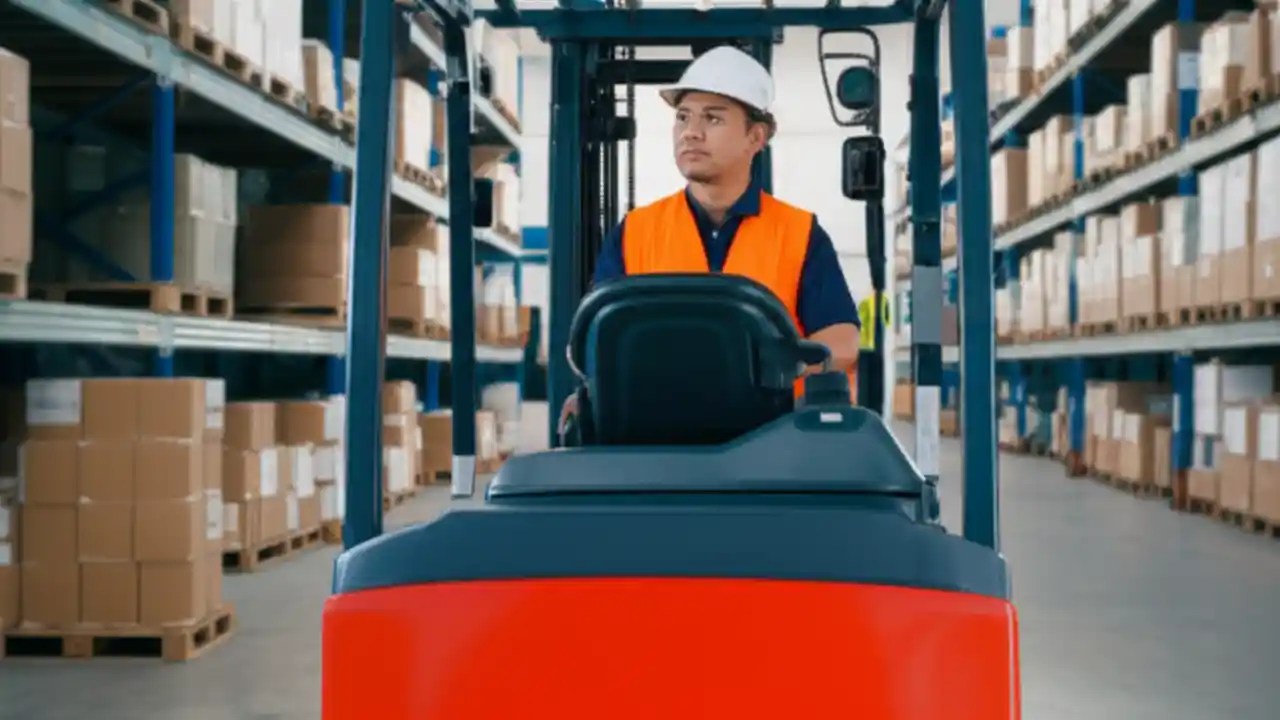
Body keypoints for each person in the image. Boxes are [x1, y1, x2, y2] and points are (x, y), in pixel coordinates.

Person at [560, 45, 861, 432]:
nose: (691, 132)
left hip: (771, 434)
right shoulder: (636, 231)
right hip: (656, 431)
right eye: (683, 117)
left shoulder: (799, 232)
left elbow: (842, 339)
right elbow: (597, 335)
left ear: (756, 137)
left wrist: (773, 365)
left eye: (713, 119)